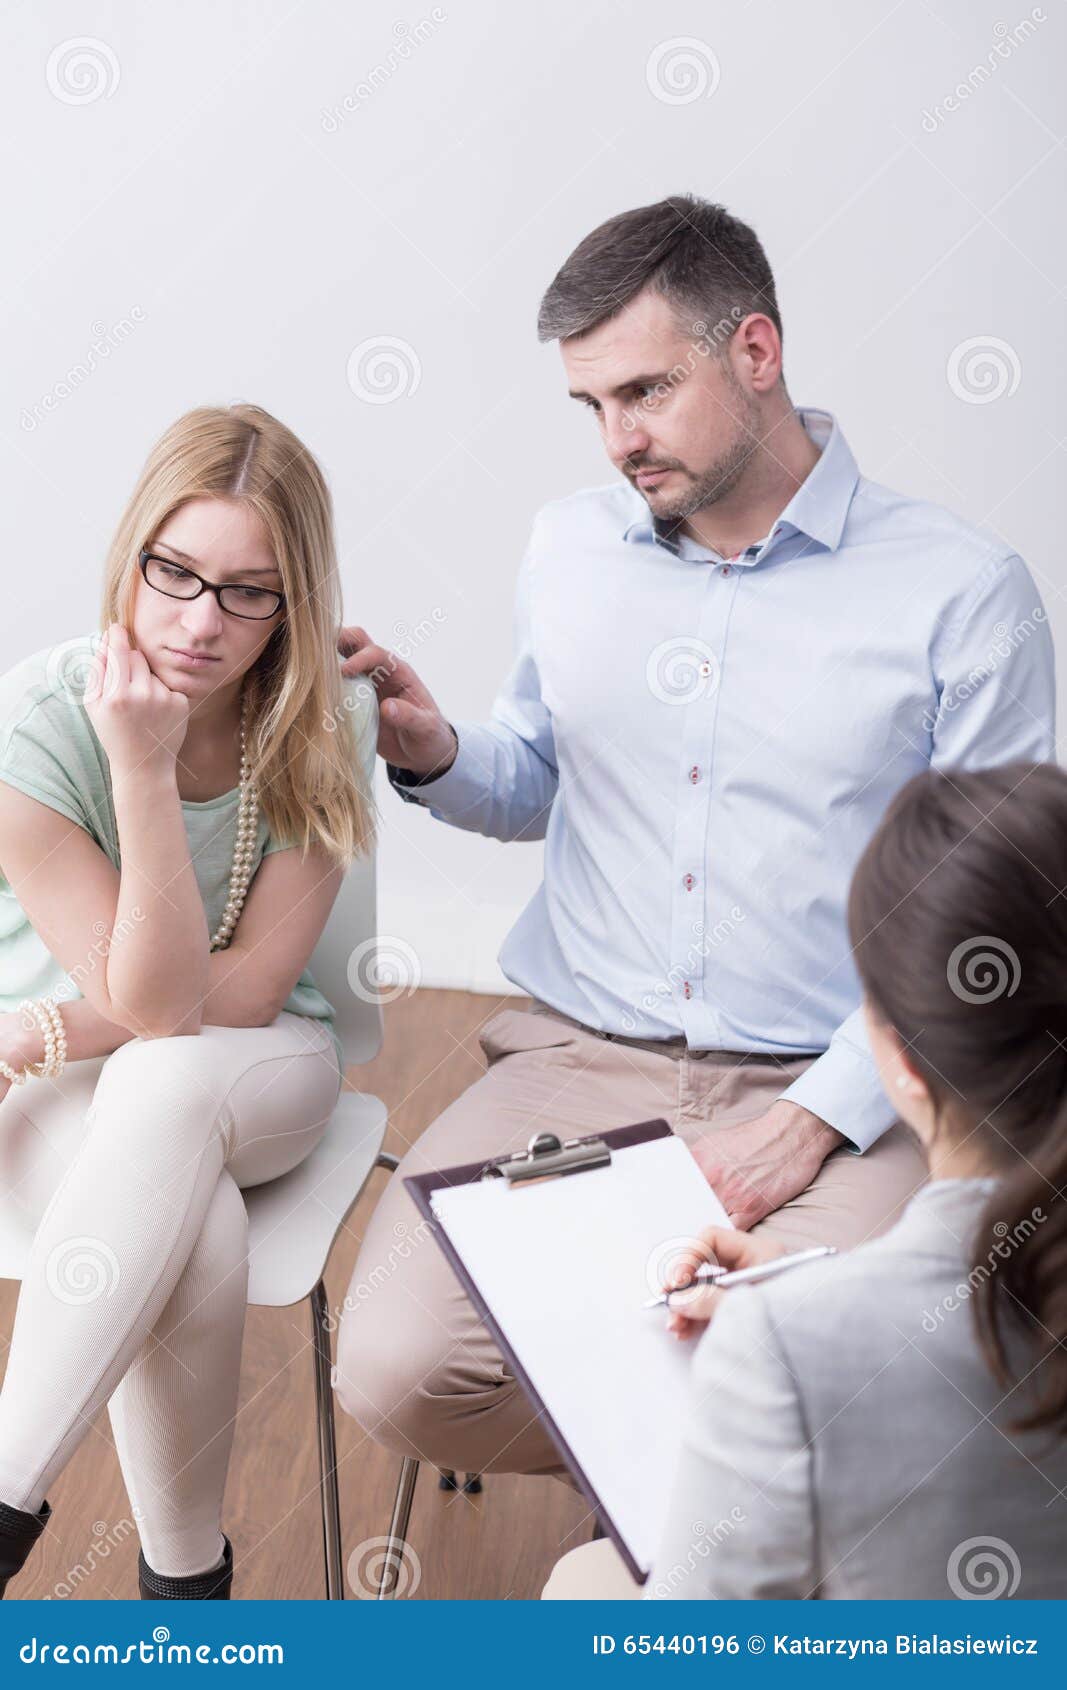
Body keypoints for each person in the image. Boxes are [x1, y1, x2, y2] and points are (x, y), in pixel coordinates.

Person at [333, 194, 1055, 1486]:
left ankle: (704, 1546)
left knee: (853, 1389)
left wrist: (813, 1120)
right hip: (578, 1060)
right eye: (591, 405)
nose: (617, 438)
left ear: (756, 353)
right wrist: (432, 747)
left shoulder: (960, 591)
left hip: (846, 1084)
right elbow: (537, 779)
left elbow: (984, 906)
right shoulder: (569, 548)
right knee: (394, 1366)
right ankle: (696, 1511)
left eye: (645, 391)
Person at [0, 404, 375, 1599]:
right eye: (175, 573)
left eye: (249, 592)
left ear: (295, 601)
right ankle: (187, 1595)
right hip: (63, 1095)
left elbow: (228, 993)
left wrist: (46, 1021)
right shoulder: (37, 718)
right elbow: (158, 1000)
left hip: (258, 1060)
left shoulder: (321, 715)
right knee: (197, 1229)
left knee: (166, 1073)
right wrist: (132, 756)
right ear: (134, 552)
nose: (200, 623)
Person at [544, 760, 1067, 1599]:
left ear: (894, 1058)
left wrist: (803, 1335)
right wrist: (825, 1294)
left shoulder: (784, 1348)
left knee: (581, 1585)